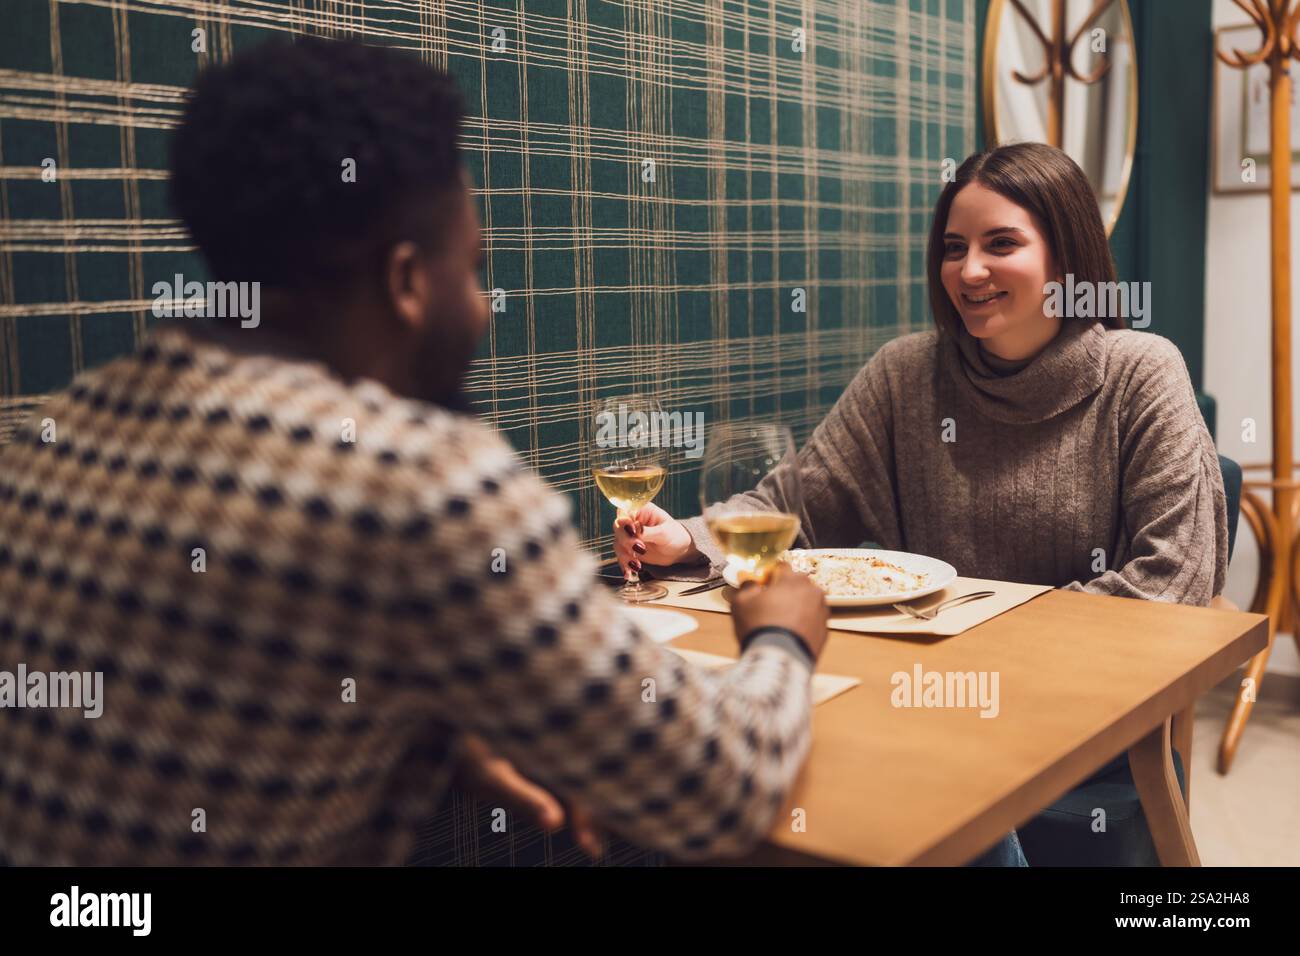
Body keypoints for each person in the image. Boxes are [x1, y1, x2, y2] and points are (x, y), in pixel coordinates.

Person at [0, 35, 829, 866]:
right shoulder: (421, 484)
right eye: (471, 271)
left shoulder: (44, 441)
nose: (479, 309)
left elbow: (182, 700)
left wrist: (438, 730)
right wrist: (783, 637)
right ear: (406, 282)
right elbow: (721, 790)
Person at [616, 142, 1228, 866]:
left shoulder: (1141, 373)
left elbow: (1173, 580)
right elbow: (791, 505)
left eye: (1001, 244)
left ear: (1067, 257)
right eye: (953, 248)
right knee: (716, 786)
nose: (969, 271)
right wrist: (686, 542)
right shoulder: (906, 373)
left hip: (1077, 725)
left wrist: (985, 662)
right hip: (921, 702)